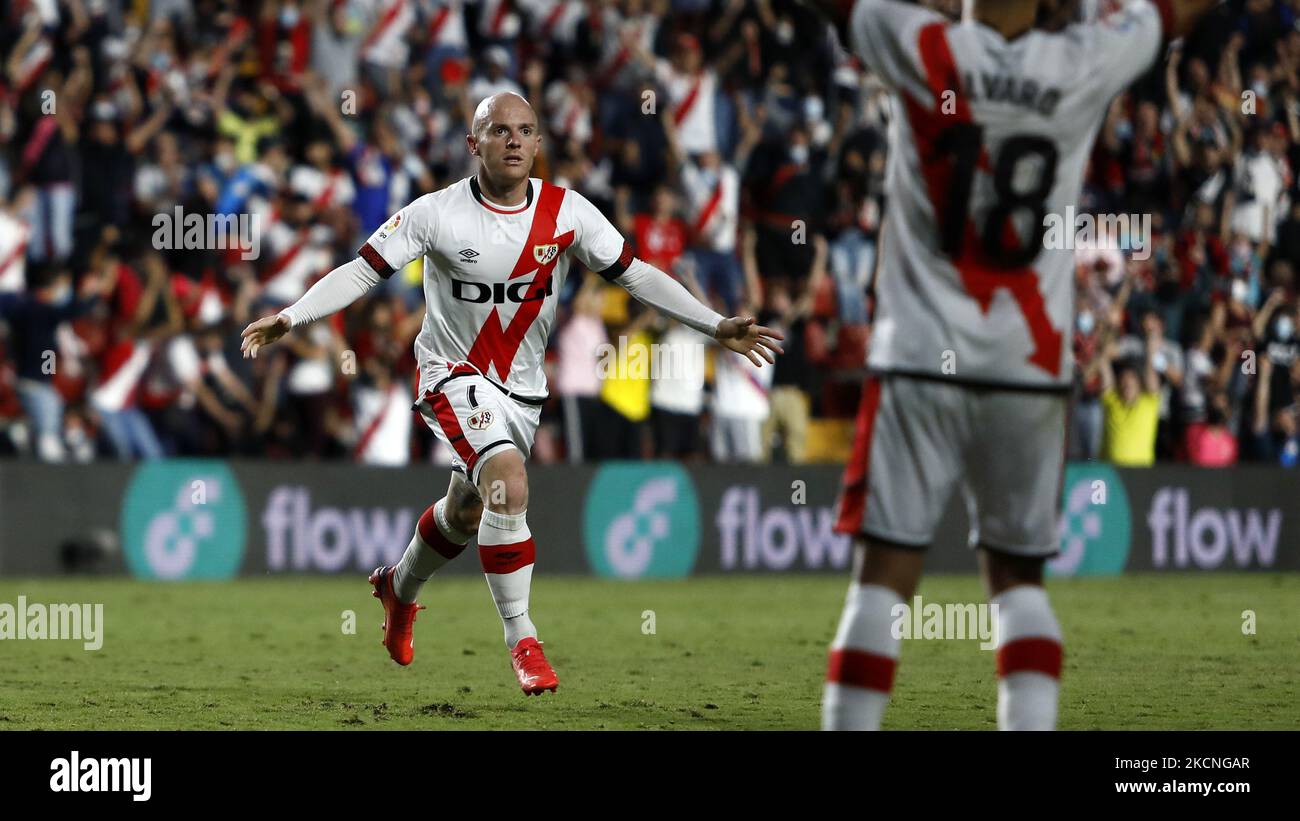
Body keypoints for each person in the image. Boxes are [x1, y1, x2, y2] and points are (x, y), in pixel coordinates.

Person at [240, 92, 783, 695]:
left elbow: (638, 274)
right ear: (474, 145)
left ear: (539, 142)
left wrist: (715, 324)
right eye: (499, 131)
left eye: (526, 130)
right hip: (450, 373)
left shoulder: (567, 213)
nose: (515, 141)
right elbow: (363, 270)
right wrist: (291, 317)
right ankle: (523, 640)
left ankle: (398, 589)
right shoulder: (435, 213)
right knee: (508, 480)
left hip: (521, 392)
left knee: (467, 511)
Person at [809, 0, 1219, 730]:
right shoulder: (1084, 57)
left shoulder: (917, 41)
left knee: (879, 587)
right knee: (1019, 587)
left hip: (915, 360)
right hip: (1028, 368)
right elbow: (1179, 11)